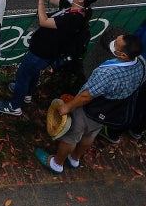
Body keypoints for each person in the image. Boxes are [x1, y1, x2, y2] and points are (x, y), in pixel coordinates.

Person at [35, 32, 145, 174]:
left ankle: (57, 163)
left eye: (116, 44)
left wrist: (68, 106)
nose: (113, 42)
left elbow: (87, 95)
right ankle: (75, 158)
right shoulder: (141, 63)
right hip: (110, 110)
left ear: (123, 55)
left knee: (71, 135)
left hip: (89, 109)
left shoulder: (109, 74)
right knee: (90, 134)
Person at [0, 0, 98, 117]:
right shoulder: (73, 8)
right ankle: (27, 94)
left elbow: (43, 21)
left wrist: (40, 0)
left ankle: (15, 106)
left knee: (22, 75)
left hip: (42, 52)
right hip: (43, 52)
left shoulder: (74, 19)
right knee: (33, 73)